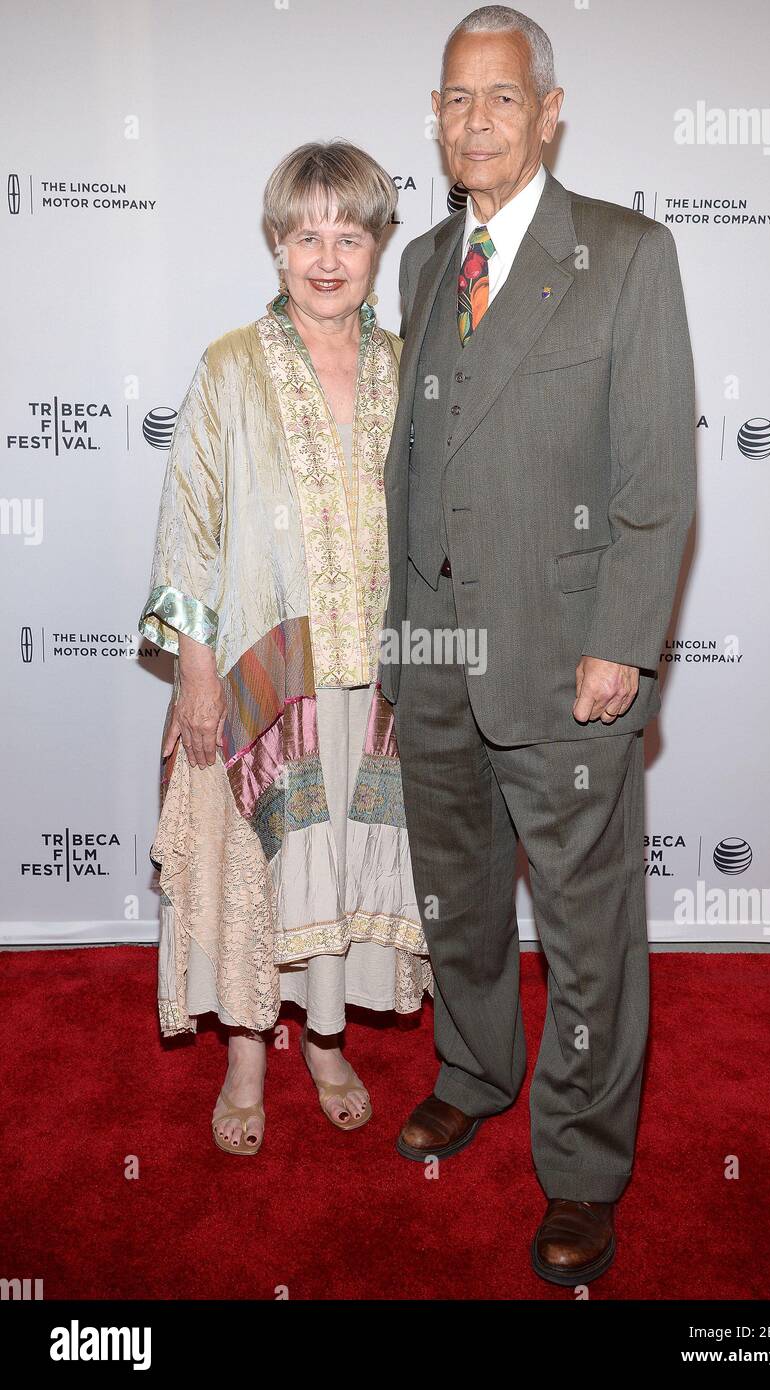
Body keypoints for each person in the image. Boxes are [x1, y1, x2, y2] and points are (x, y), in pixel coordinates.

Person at [380, 6, 696, 1283]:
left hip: (569, 666)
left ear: (549, 112)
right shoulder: (415, 262)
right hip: (434, 656)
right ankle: (472, 1067)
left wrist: (622, 642)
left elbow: (656, 479)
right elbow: (416, 471)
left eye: (501, 99)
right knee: (456, 903)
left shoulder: (623, 254)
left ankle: (577, 1169)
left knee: (583, 930)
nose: (474, 122)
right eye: (455, 99)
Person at [139, 141, 430, 1155]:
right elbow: (190, 523)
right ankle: (248, 1050)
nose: (325, 255)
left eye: (348, 235)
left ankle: (327, 1038)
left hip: (376, 667)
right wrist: (197, 667)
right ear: (274, 244)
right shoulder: (229, 366)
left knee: (343, 861)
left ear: (376, 245)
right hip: (264, 668)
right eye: (305, 233)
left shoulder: (406, 368)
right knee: (261, 868)